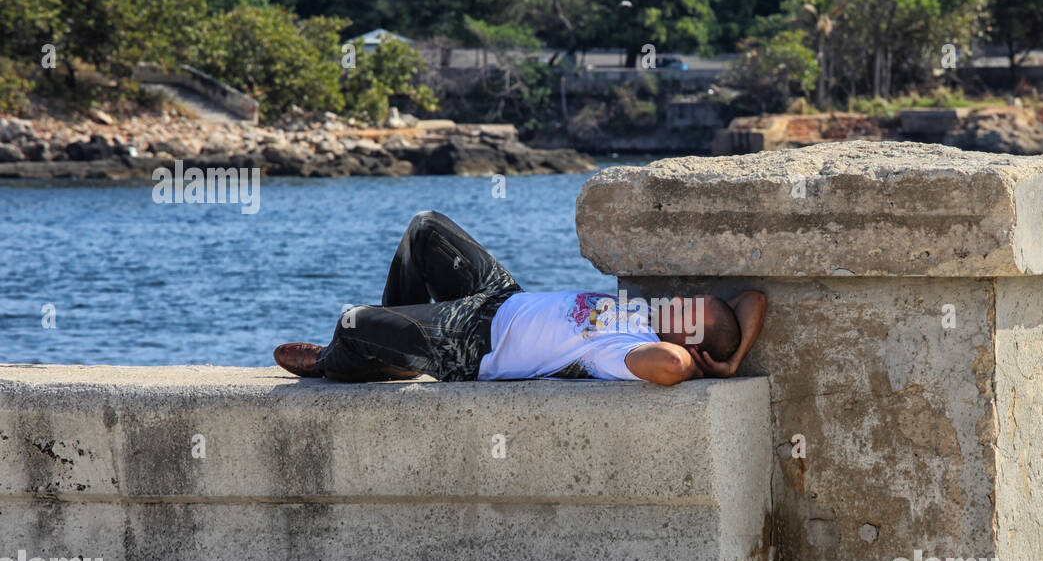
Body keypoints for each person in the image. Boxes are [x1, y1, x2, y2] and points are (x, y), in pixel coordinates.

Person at [273, 210, 766, 386]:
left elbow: (671, 369)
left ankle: (340, 362)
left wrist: (704, 368)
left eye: (687, 318)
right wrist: (735, 357)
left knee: (353, 323)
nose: (675, 307)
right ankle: (394, 360)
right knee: (425, 230)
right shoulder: (642, 317)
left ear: (691, 345)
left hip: (471, 346)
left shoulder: (621, 353)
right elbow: (752, 298)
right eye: (688, 301)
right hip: (498, 298)